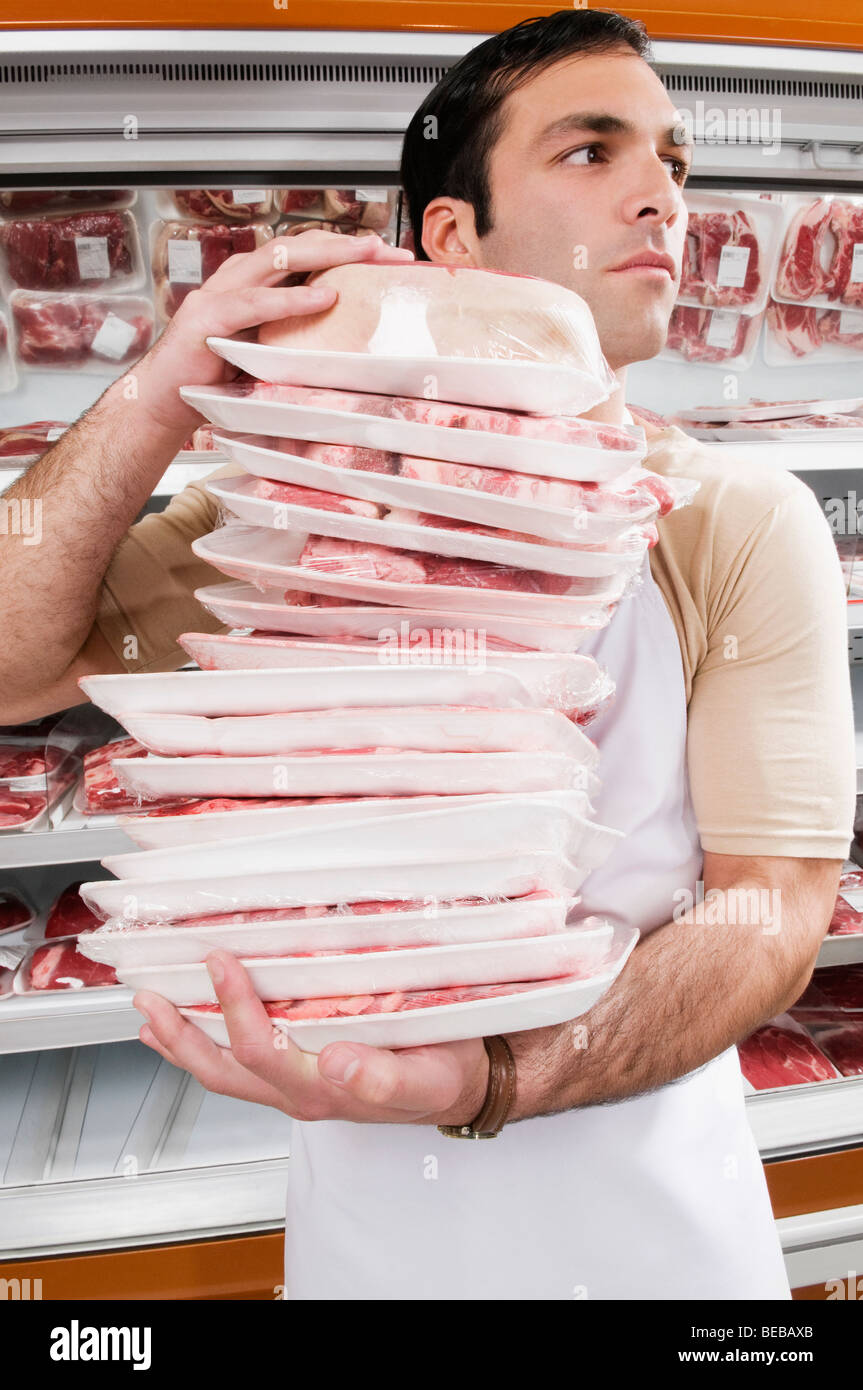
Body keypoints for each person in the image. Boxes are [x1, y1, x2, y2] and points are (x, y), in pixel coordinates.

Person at [0, 10, 854, 1300]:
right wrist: (168, 376)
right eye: (589, 152)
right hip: (371, 1219)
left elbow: (772, 906)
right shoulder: (297, 515)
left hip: (654, 1213)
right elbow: (13, 666)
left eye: (675, 160)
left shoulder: (735, 518)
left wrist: (497, 1077)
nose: (660, 198)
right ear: (452, 237)